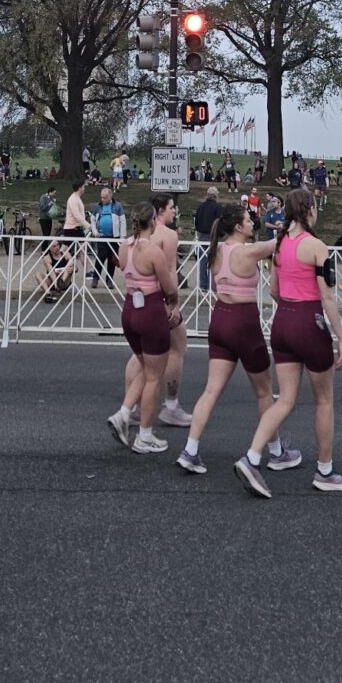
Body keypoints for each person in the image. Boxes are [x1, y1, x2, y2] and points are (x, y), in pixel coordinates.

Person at [233, 188, 342, 497]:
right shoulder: (316, 246)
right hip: (309, 322)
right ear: (310, 209)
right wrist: (340, 337)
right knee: (324, 400)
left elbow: (273, 289)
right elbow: (327, 296)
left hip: (282, 322)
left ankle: (252, 456)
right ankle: (325, 471)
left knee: (285, 400)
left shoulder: (280, 244)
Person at [177, 203, 299, 475]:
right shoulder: (249, 251)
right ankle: (276, 452)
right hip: (243, 322)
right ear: (237, 226)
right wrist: (294, 219)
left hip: (219, 319)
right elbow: (279, 242)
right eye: (248, 220)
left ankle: (191, 450)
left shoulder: (216, 250)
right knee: (264, 392)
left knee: (211, 390)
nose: (252, 224)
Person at [108, 204, 179, 454]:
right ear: (152, 223)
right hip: (150, 310)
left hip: (129, 309)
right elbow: (170, 288)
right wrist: (173, 304)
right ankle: (145, 436)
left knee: (146, 368)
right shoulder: (153, 252)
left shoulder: (124, 246)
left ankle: (124, 413)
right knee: (153, 377)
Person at [89, 184, 125, 290]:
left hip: (114, 237)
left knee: (111, 260)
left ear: (110, 196)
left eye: (105, 197)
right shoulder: (98, 206)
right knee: (100, 258)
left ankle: (109, 280)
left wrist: (122, 237)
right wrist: (95, 232)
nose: (102, 199)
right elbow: (93, 220)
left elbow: (122, 221)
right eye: (101, 197)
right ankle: (95, 278)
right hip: (102, 237)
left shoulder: (117, 206)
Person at [193, 185, 221, 292]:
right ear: (215, 195)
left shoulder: (200, 207)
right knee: (213, 260)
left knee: (202, 261)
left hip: (202, 236)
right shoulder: (217, 207)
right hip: (213, 236)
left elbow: (196, 221)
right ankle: (211, 285)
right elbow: (219, 222)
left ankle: (203, 284)